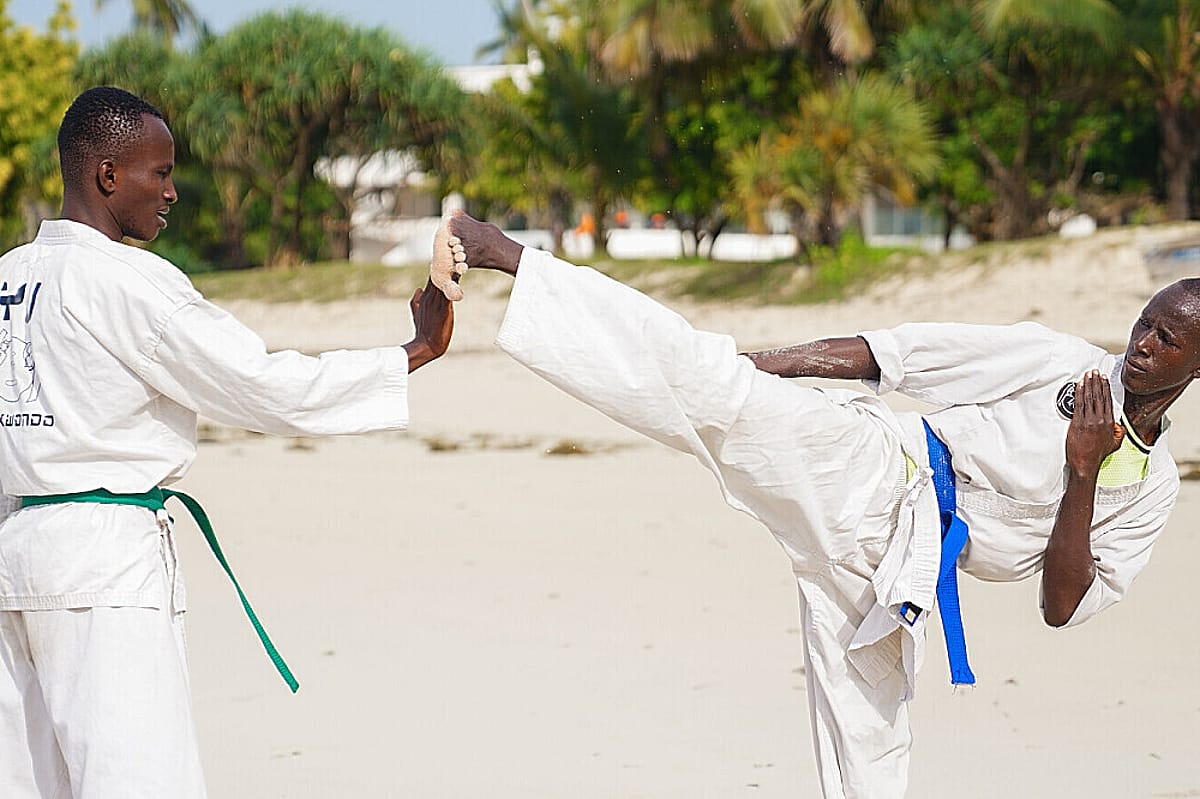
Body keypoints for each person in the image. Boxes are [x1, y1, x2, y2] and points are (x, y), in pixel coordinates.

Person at [430, 210, 1196, 799]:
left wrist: (1084, 471)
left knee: (870, 745)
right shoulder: (1062, 362)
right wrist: (749, 366)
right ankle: (504, 252)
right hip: (874, 468)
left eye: (1168, 338)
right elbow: (898, 354)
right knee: (708, 387)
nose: (1142, 343)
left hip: (904, 574)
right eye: (1144, 321)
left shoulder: (1151, 486)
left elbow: (1063, 605)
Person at [0, 86, 454, 799]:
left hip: (16, 558)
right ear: (108, 174)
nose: (173, 191)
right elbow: (263, 384)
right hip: (104, 568)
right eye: (161, 171)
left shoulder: (9, 277)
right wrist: (411, 353)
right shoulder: (127, 283)